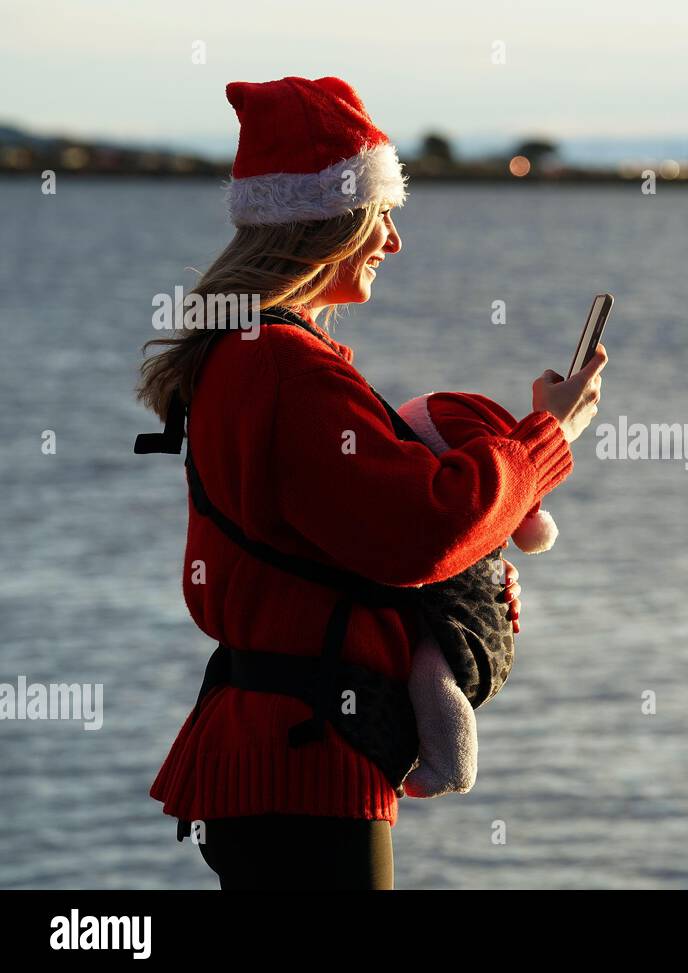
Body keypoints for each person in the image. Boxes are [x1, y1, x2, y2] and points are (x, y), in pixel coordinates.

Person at [135, 75, 608, 890]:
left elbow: (354, 541)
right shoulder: (283, 367)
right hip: (306, 767)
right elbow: (423, 530)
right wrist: (547, 437)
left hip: (271, 753)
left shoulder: (248, 355)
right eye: (381, 216)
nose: (394, 241)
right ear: (328, 224)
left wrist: (467, 576)